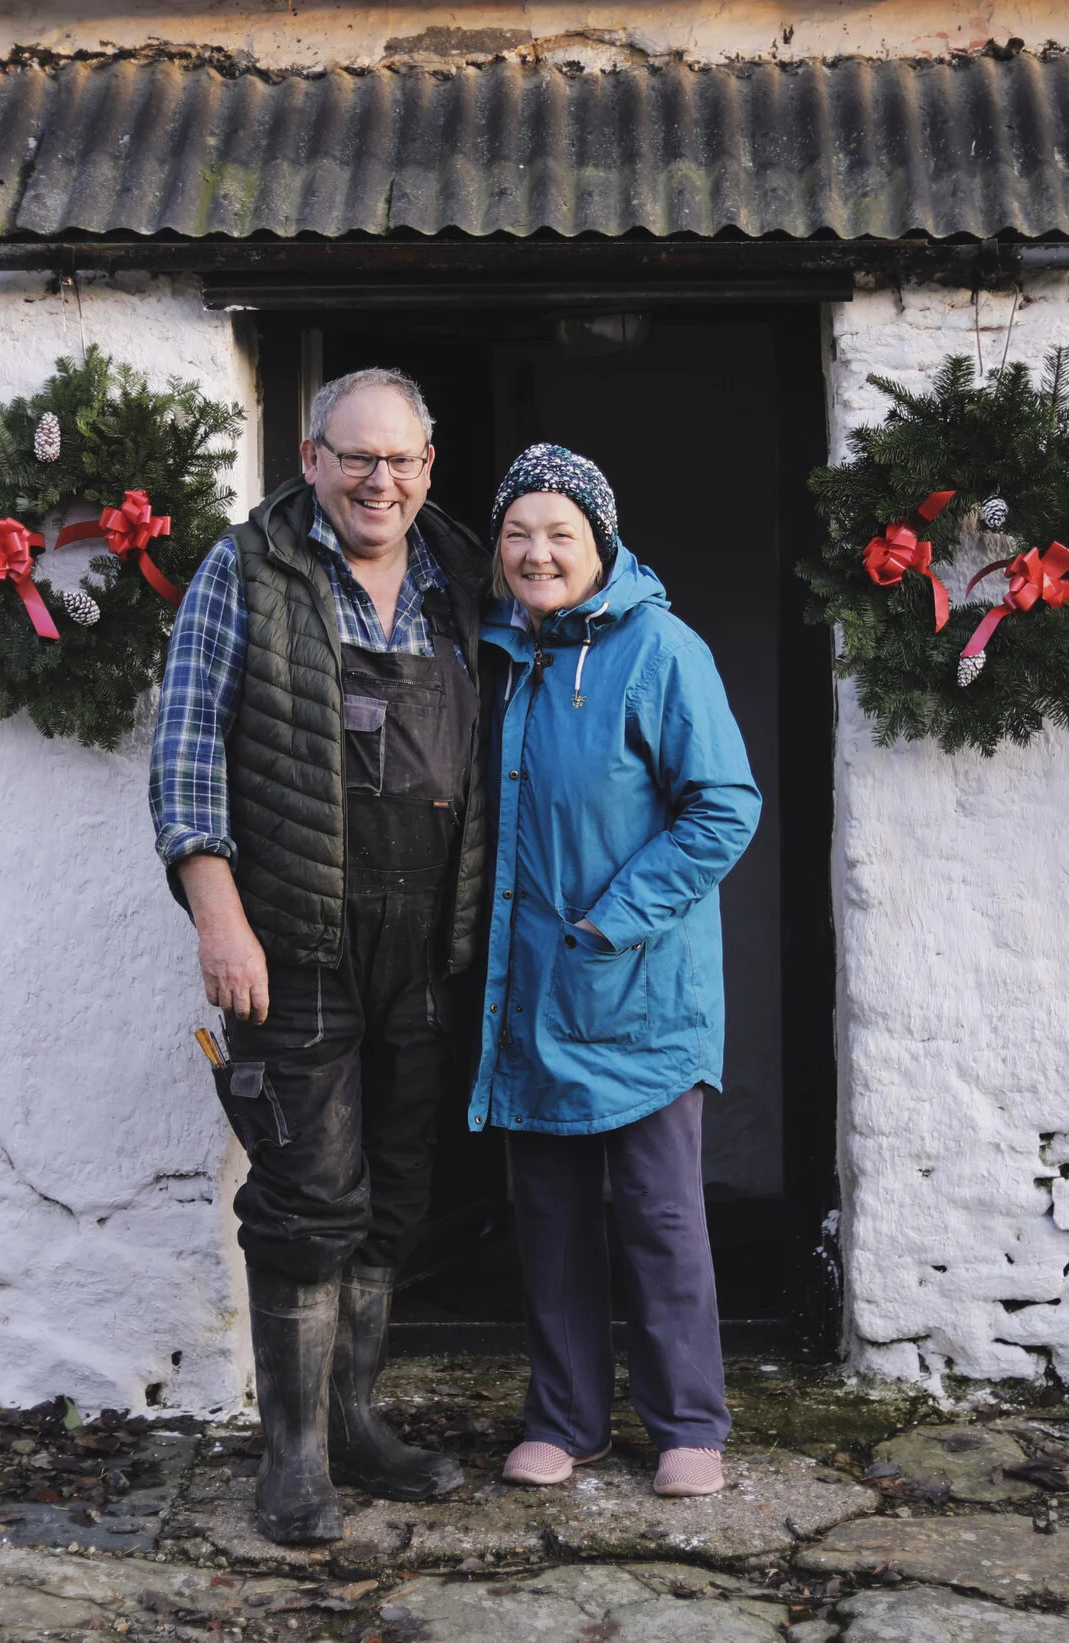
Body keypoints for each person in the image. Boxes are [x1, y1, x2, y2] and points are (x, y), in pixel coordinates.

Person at [149, 368, 491, 1545]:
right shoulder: (246, 570)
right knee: (305, 1194)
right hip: (291, 936)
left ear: (428, 466)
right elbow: (186, 748)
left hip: (426, 942)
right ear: (310, 459)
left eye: (399, 459)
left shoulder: (459, 576)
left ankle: (355, 1421)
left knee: (395, 1191)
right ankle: (291, 1456)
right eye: (355, 457)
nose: (377, 481)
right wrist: (218, 915)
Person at [473, 443, 761, 1500]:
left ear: (601, 543)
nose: (537, 553)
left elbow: (724, 805)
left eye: (560, 533)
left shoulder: (661, 650)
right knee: (550, 1216)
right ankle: (565, 1419)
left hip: (639, 988)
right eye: (517, 533)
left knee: (659, 1215)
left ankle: (688, 1423)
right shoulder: (498, 650)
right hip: (532, 989)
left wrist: (610, 921)